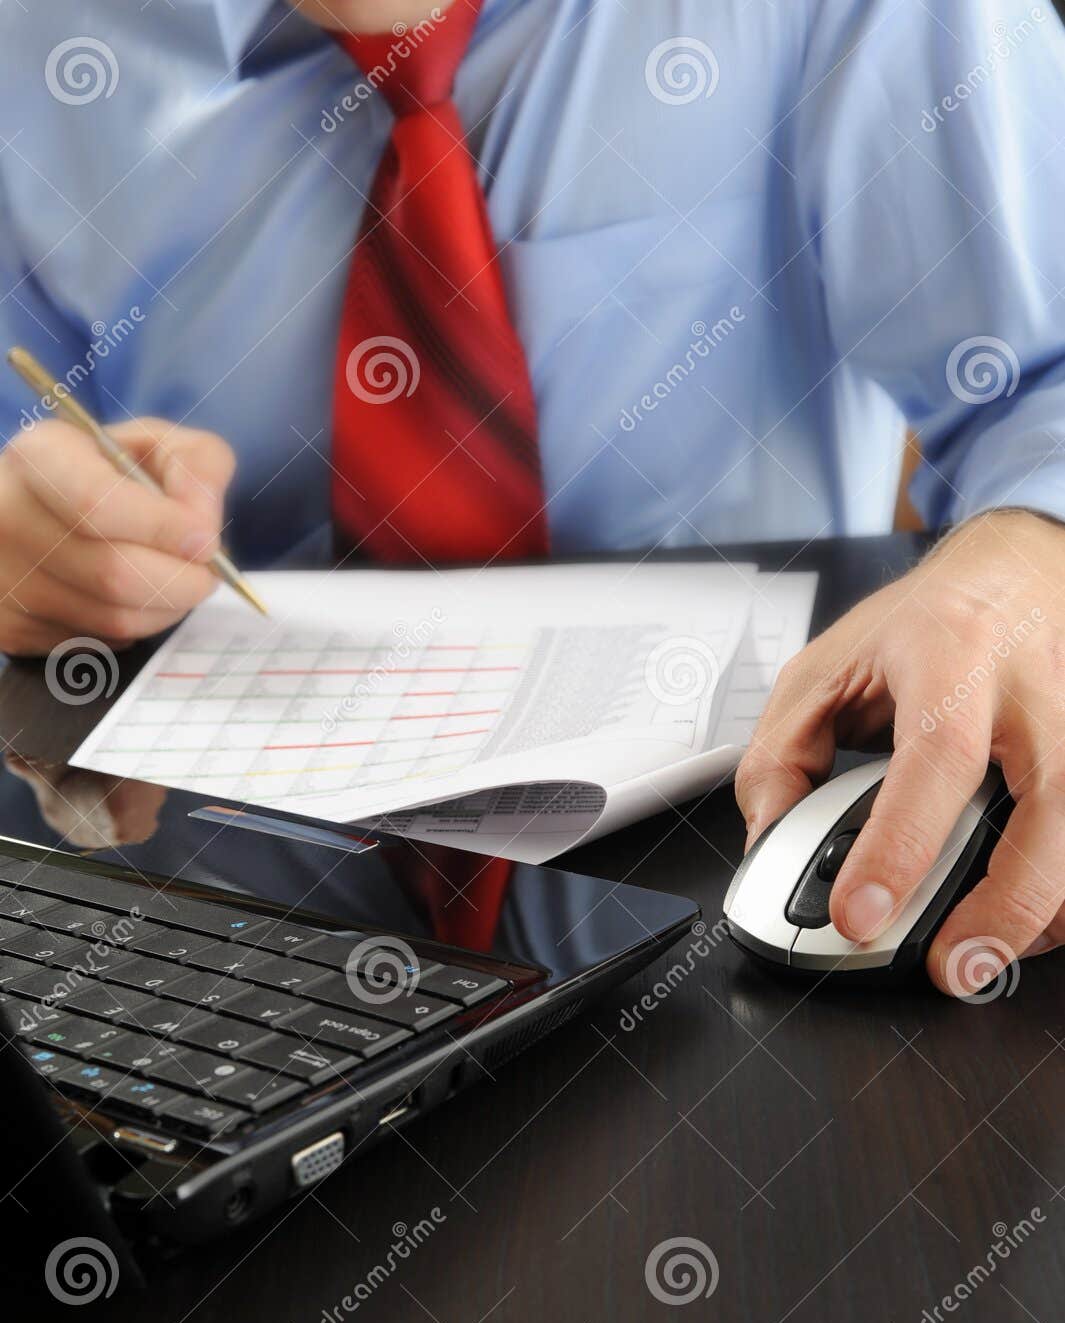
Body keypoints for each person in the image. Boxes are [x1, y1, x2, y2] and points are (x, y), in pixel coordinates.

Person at [2, 0, 1065, 990]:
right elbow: (25, 434)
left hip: (717, 847)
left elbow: (1046, 374)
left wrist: (1024, 557)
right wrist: (35, 533)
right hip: (203, 884)